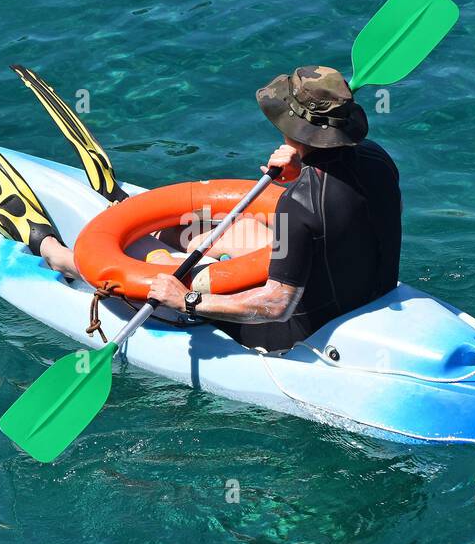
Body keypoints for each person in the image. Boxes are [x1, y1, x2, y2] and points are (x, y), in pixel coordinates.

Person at [145, 65, 401, 352]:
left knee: (162, 267)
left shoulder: (299, 203)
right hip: (373, 295)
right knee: (243, 230)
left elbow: (277, 304)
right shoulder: (378, 157)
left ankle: (153, 251)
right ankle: (166, 240)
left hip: (298, 333)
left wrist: (187, 301)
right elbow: (359, 208)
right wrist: (303, 168)